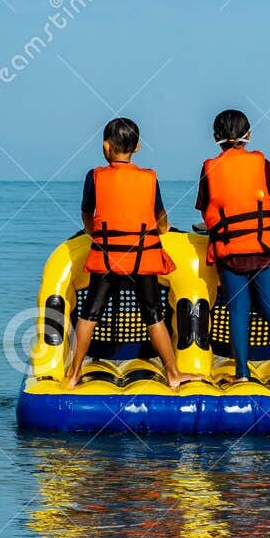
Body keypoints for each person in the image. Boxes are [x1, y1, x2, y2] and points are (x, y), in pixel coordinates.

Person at [66, 117, 186, 389]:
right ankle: (173, 375)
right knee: (154, 315)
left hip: (107, 256)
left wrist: (95, 235)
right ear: (138, 147)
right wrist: (163, 229)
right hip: (142, 256)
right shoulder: (149, 178)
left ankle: (74, 375)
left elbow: (87, 213)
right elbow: (161, 220)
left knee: (89, 314)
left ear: (106, 147)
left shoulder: (94, 176)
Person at [197, 109, 270, 384]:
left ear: (216, 138)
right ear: (249, 135)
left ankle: (241, 374)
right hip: (263, 248)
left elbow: (207, 212)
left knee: (238, 311)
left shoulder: (209, 168)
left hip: (230, 253)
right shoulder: (262, 164)